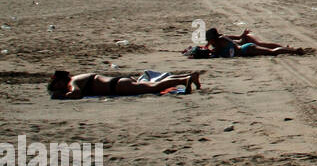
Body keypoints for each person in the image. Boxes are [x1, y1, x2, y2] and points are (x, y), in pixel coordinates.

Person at [49, 69, 202, 99]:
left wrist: (61, 95)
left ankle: (184, 80)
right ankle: (189, 77)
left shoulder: (73, 82)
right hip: (118, 83)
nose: (58, 88)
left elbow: (76, 93)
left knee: (154, 87)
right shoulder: (78, 78)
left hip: (117, 86)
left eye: (57, 86)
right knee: (153, 84)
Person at [205, 27, 305, 57]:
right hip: (246, 49)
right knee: (271, 51)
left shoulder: (220, 41)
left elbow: (215, 52)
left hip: (247, 49)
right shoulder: (221, 39)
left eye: (209, 40)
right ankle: (291, 50)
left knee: (272, 52)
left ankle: (295, 51)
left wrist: (207, 50)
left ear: (213, 38)